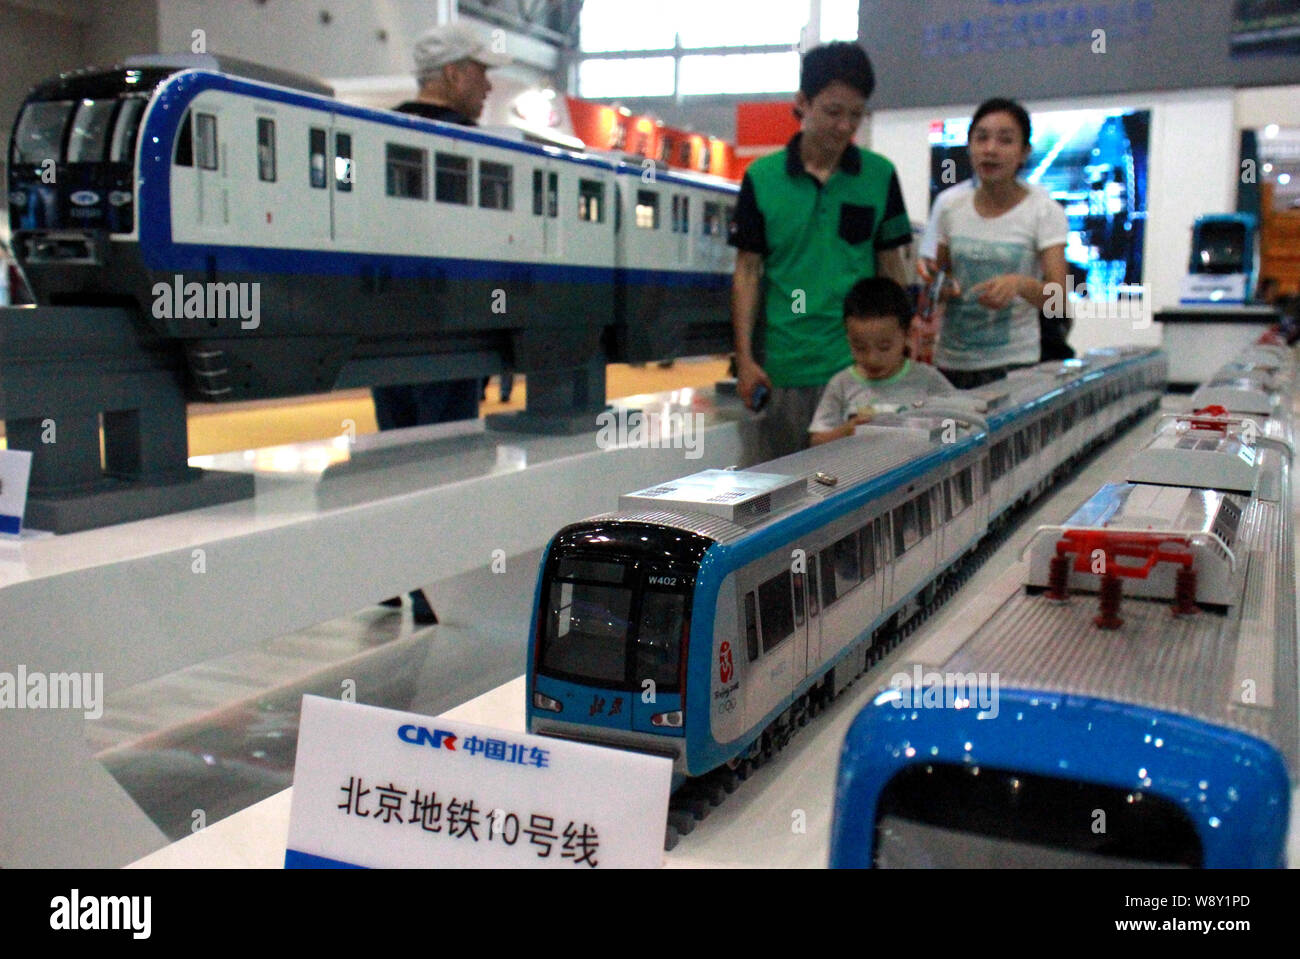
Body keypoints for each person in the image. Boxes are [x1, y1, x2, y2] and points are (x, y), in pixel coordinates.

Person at [376, 21, 510, 625]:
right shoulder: (471, 149)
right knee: (450, 468)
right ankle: (439, 598)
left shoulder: (377, 136)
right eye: (480, 73)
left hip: (386, 337)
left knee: (399, 462)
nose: (486, 86)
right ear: (453, 73)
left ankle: (402, 579)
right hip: (453, 332)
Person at [729, 41, 913, 465]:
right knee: (782, 493)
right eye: (833, 111)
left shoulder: (879, 175)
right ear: (802, 103)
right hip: (785, 370)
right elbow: (748, 271)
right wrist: (745, 358)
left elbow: (890, 265)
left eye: (856, 113)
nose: (844, 125)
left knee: (861, 490)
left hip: (861, 369)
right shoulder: (763, 178)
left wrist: (903, 341)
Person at [928, 98, 1069, 388]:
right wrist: (940, 286)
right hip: (951, 361)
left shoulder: (1043, 210)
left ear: (1024, 152)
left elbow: (1058, 300)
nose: (990, 149)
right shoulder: (950, 205)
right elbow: (938, 279)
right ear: (969, 146)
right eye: (981, 138)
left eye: (1005, 140)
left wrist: (1019, 284)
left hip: (1013, 364)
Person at [808, 277, 955, 446]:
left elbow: (962, 423)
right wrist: (847, 430)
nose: (873, 359)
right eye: (860, 347)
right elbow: (816, 442)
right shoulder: (841, 384)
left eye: (884, 347)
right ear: (848, 337)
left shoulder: (928, 380)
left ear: (907, 334)